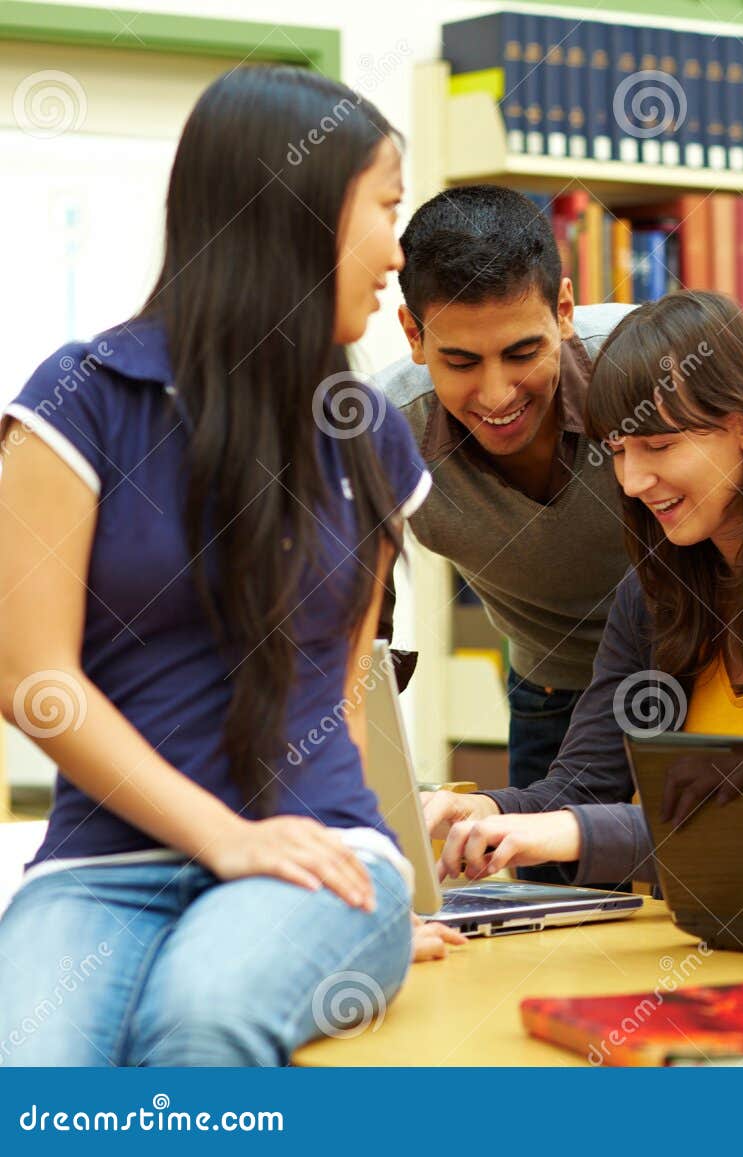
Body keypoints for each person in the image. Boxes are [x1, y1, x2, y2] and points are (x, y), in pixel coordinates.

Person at [0, 66, 458, 1067]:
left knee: (201, 1022)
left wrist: (357, 924)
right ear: (295, 207)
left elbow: (338, 698)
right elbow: (31, 677)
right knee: (28, 1067)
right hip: (100, 863)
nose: (397, 247)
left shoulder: (367, 433)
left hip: (319, 847)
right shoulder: (82, 400)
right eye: (385, 206)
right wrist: (222, 835)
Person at [420, 292, 743, 888]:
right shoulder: (652, 589)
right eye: (618, 451)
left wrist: (572, 831)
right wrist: (491, 811)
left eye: (660, 446)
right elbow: (585, 783)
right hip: (706, 942)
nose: (633, 480)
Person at [376, 186, 635, 882]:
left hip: (700, 679)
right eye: (460, 361)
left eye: (523, 352)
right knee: (556, 914)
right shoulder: (378, 431)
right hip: (552, 692)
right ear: (412, 333)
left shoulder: (650, 365)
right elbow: (350, 640)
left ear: (566, 309)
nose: (496, 395)